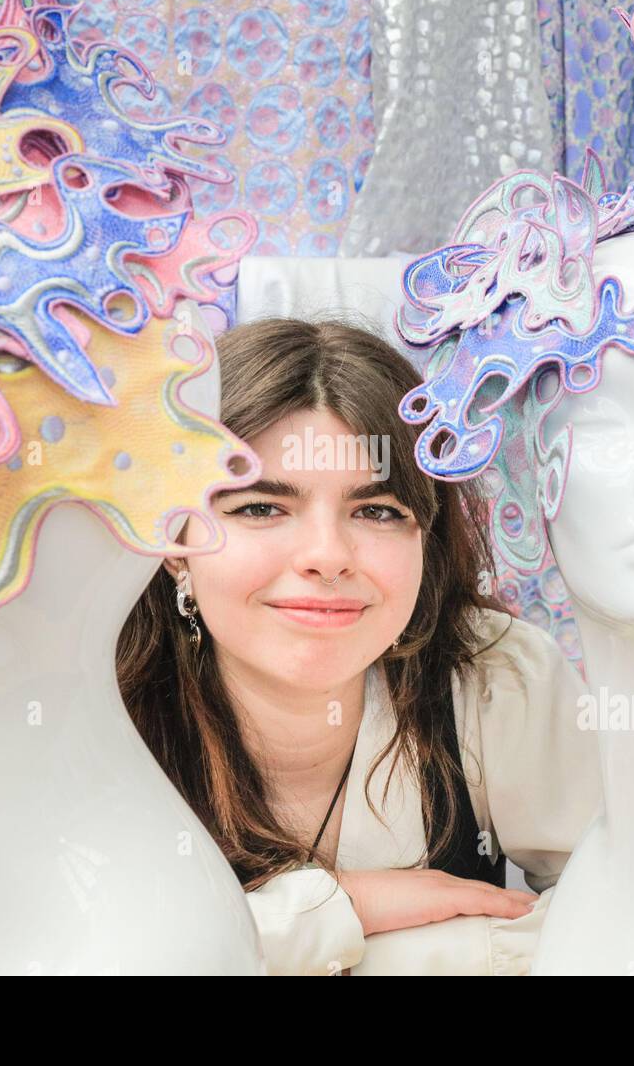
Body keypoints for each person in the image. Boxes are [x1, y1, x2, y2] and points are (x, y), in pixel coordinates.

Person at [116, 317, 600, 975]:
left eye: (376, 511)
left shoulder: (496, 674)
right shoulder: (98, 706)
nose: (327, 556)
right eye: (260, 508)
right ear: (177, 546)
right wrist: (342, 908)